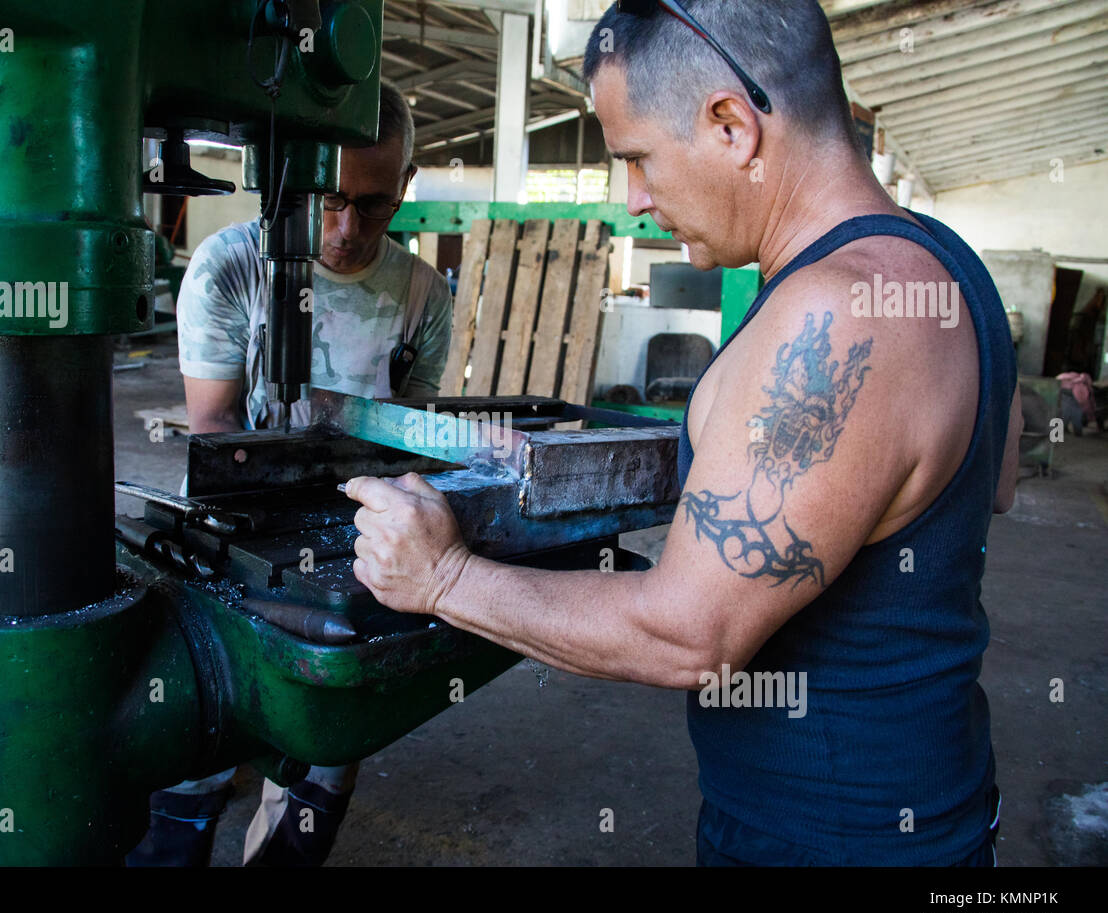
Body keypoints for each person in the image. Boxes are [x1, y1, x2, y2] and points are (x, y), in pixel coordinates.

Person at [344, 0, 1023, 866]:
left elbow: (688, 634)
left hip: (828, 838)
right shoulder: (945, 263)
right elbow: (989, 485)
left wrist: (441, 577)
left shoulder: (838, 312)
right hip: (939, 806)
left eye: (638, 159)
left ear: (732, 124)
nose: (635, 198)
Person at [127, 80, 453, 868]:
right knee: (198, 747)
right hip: (235, 531)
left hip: (354, 548)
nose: (345, 229)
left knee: (318, 767)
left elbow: (409, 444)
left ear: (406, 186)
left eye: (374, 205)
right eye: (328, 199)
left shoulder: (422, 295)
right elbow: (215, 426)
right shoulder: (231, 266)